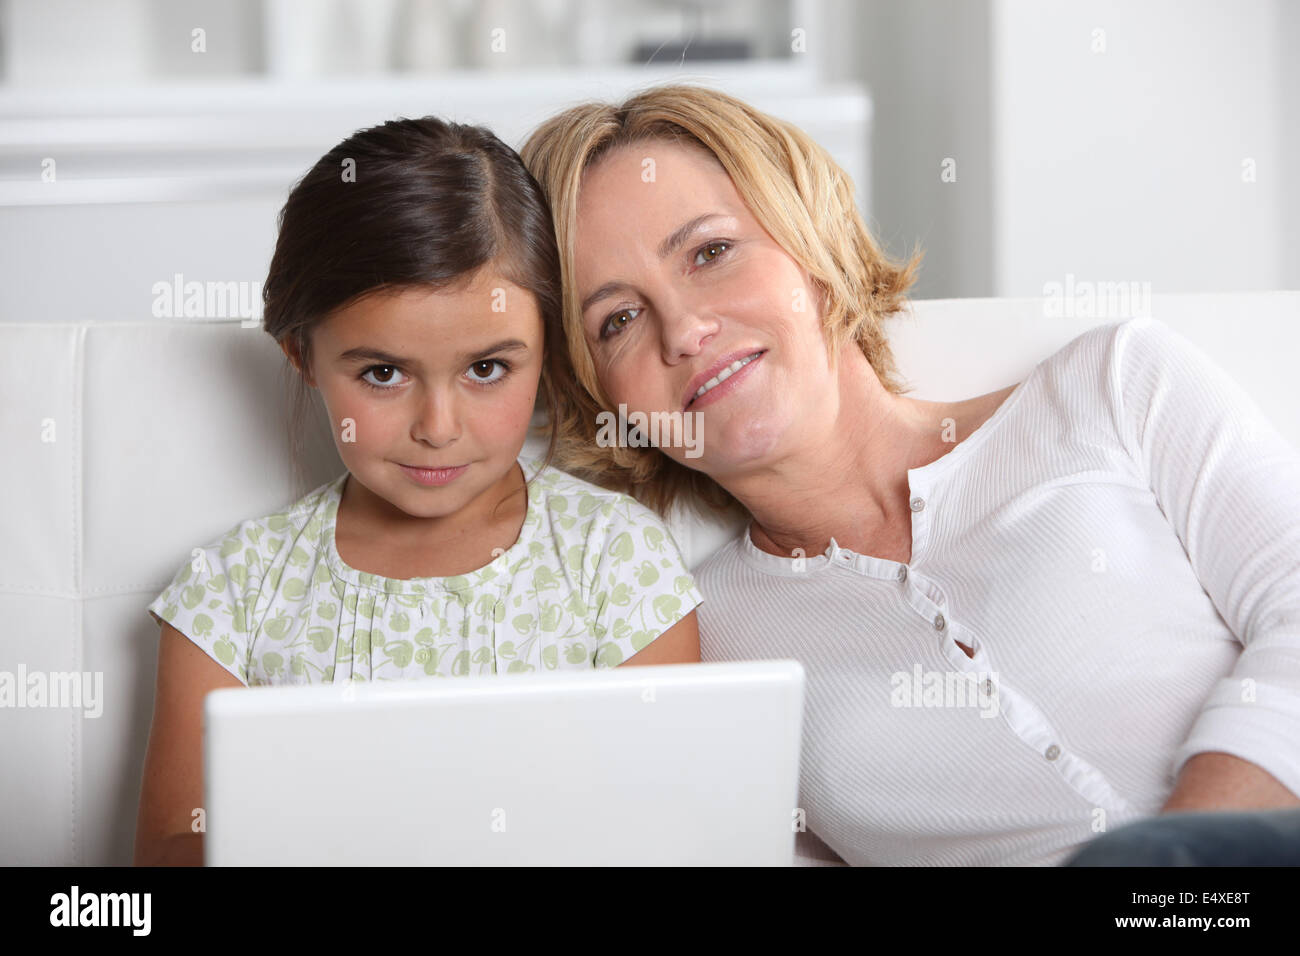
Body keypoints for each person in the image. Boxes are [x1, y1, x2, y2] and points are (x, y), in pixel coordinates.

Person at [519, 84, 1300, 865]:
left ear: (809, 242)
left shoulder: (1112, 386)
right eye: (617, 320)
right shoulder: (702, 645)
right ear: (599, 394)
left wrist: (1182, 869)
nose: (685, 330)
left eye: (710, 252)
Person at [134, 116, 703, 866]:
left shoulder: (616, 562)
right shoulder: (233, 594)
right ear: (301, 354)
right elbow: (168, 852)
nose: (438, 428)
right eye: (382, 374)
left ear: (548, 350)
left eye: (488, 369)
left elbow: (681, 826)